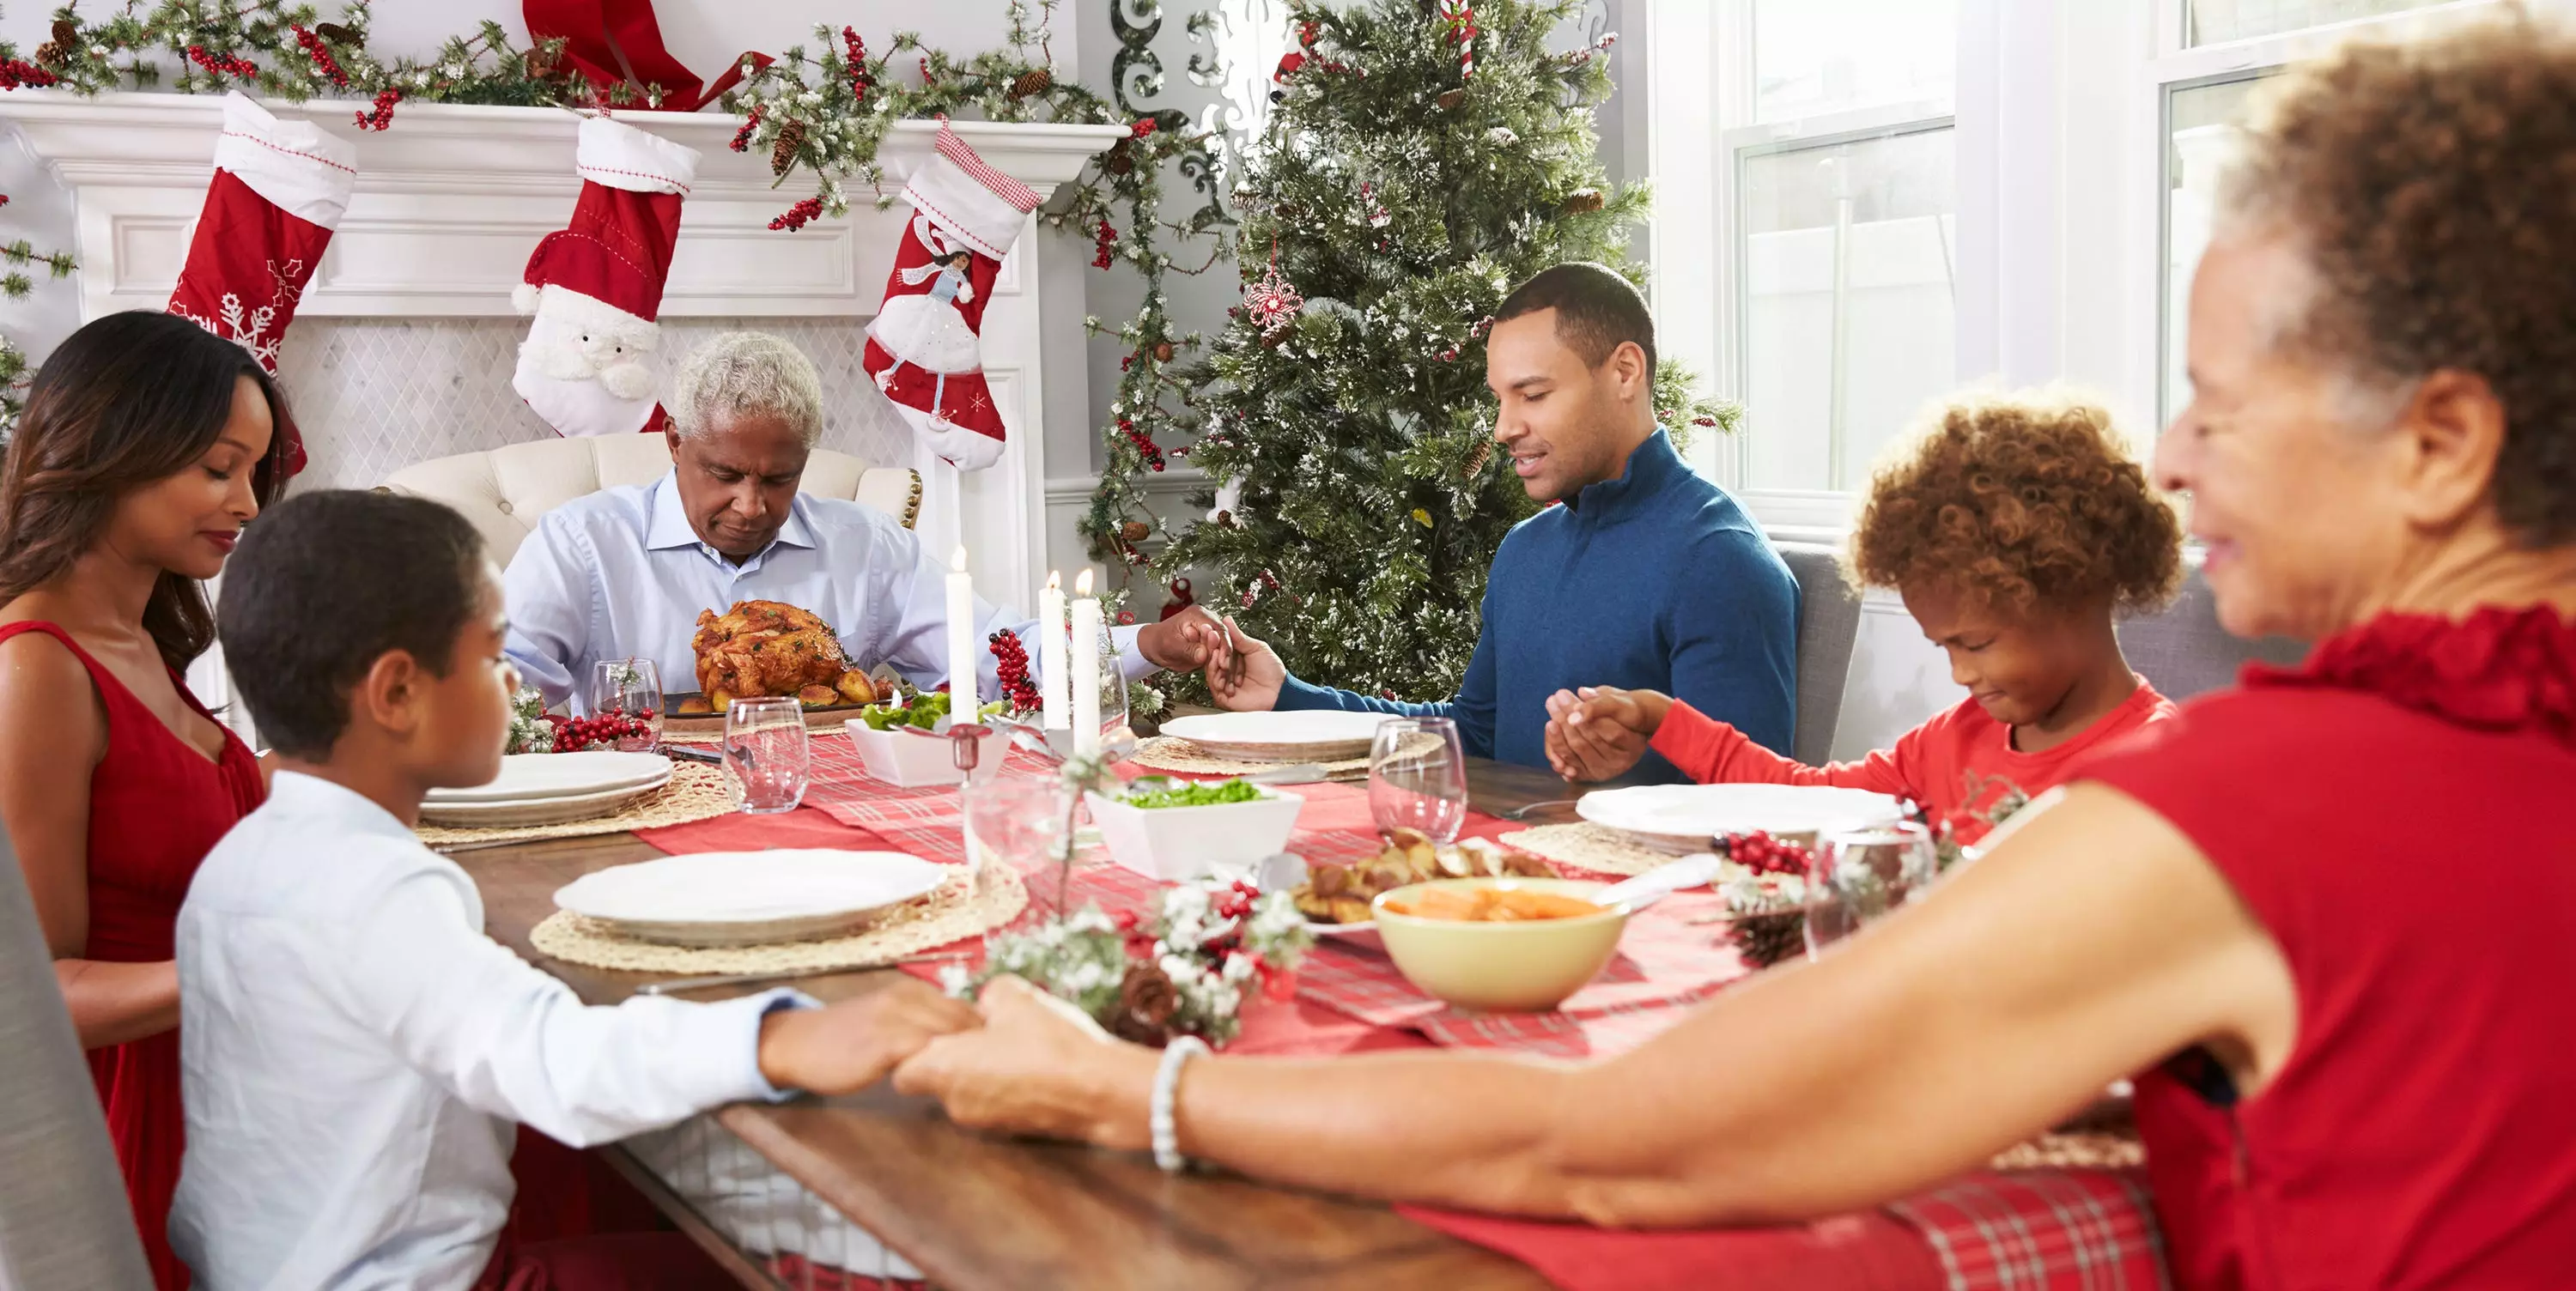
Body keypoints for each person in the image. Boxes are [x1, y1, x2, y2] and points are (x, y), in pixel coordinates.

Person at [893, 17, 2576, 1287]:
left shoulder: (2254, 806)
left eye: (2215, 398)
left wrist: (1138, 1092)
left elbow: (1621, 1145)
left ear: (2439, 441)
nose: (2181, 456)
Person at [171, 489, 981, 1289]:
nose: (516, 688)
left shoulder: (244, 856)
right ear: (397, 694)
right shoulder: (375, 888)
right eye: (493, 659)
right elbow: (555, 1060)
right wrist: (780, 1039)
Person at [1206, 263, 1797, 783]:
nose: (1502, 428)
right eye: (1500, 398)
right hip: (1503, 880)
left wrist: (1618, 770)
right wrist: (1289, 699)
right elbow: (1475, 734)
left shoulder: (1719, 558)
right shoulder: (1526, 549)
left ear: (1624, 372)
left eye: (1532, 395)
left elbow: (1753, 808)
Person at [1542, 391, 2183, 844]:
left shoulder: (2164, 769)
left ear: (2079, 588)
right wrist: (1660, 716)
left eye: (1978, 644)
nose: (1961, 674)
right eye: (1945, 648)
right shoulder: (1949, 743)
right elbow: (1803, 797)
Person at [0, 311, 284, 1289]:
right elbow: (33, 995)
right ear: (110, 449)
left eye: (254, 471)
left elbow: (177, 820)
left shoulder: (143, 646)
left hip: (222, 1090)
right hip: (135, 1136)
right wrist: (258, 957)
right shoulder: (37, 667)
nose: (247, 502)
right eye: (218, 466)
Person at [504, 330, 1223, 709]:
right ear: (674, 445)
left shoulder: (865, 546)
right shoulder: (582, 544)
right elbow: (499, 687)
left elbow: (996, 655)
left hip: (832, 818)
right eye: (725, 476)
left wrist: (1146, 645)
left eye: (779, 479)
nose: (751, 506)